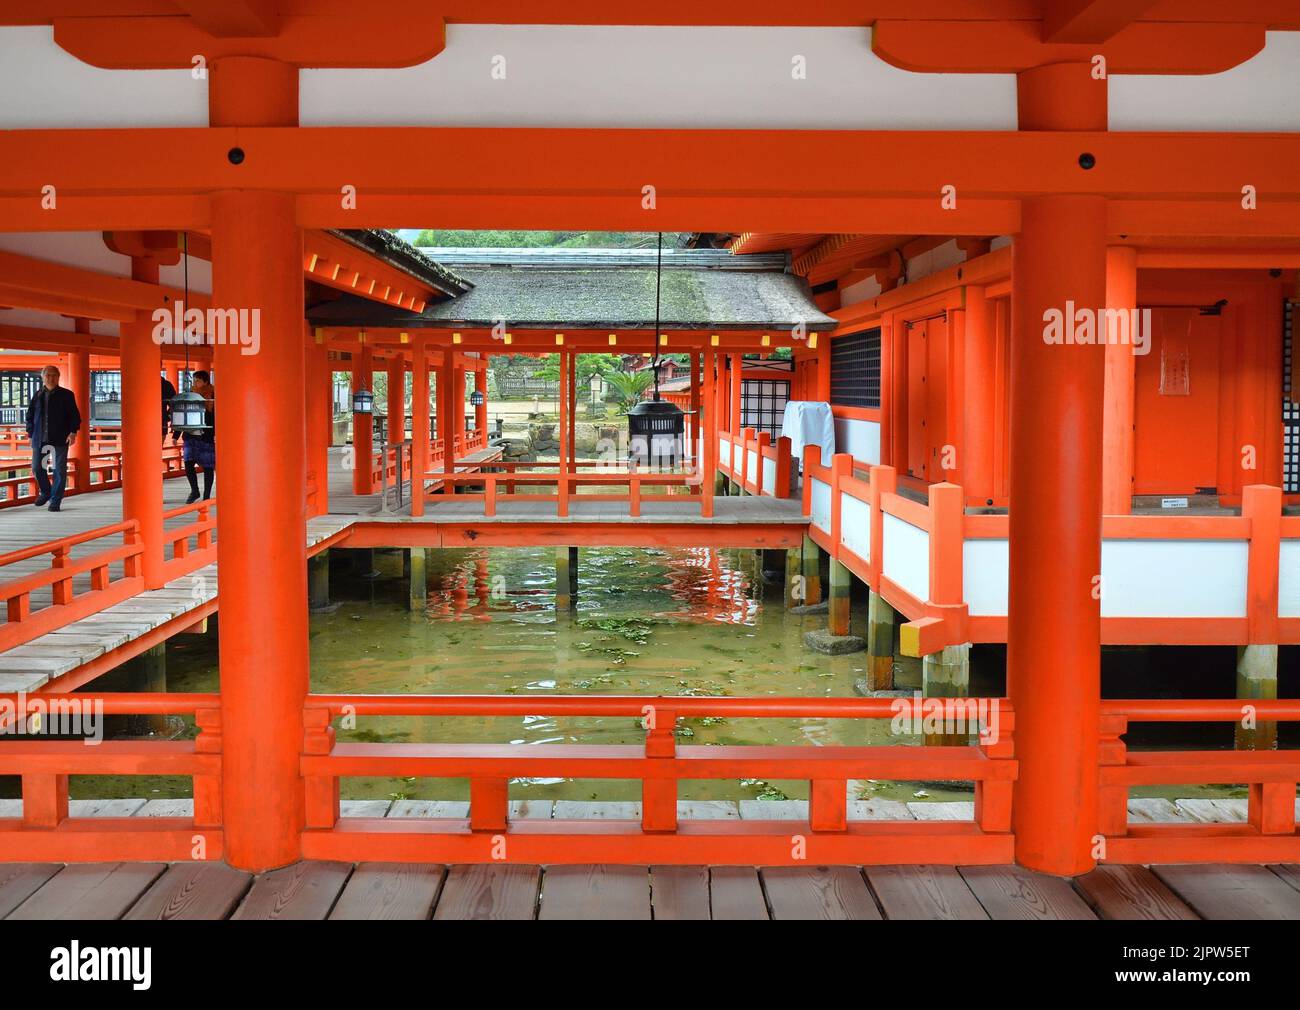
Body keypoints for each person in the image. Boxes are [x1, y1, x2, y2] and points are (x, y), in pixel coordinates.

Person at [25, 364, 81, 512]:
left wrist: (73, 432)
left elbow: (74, 415)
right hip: (40, 438)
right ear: (43, 377)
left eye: (54, 375)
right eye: (48, 375)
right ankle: (46, 492)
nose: (51, 378)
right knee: (38, 467)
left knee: (59, 470)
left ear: (58, 377)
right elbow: (29, 416)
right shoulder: (37, 395)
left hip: (59, 438)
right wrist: (30, 433)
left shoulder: (67, 395)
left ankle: (55, 501)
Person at [183, 370, 215, 503]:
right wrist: (175, 434)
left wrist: (216, 433)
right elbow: (182, 414)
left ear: (205, 382)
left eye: (198, 380)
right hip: (190, 435)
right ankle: (194, 490)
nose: (195, 383)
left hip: (206, 434)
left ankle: (206, 495)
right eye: (194, 380)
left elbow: (215, 416)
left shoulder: (212, 395)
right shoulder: (189, 395)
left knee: (208, 466)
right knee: (188, 462)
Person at [161, 373, 176, 439]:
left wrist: (166, 417)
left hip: (161, 424)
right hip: (162, 422)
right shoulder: (166, 385)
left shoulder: (166, 385)